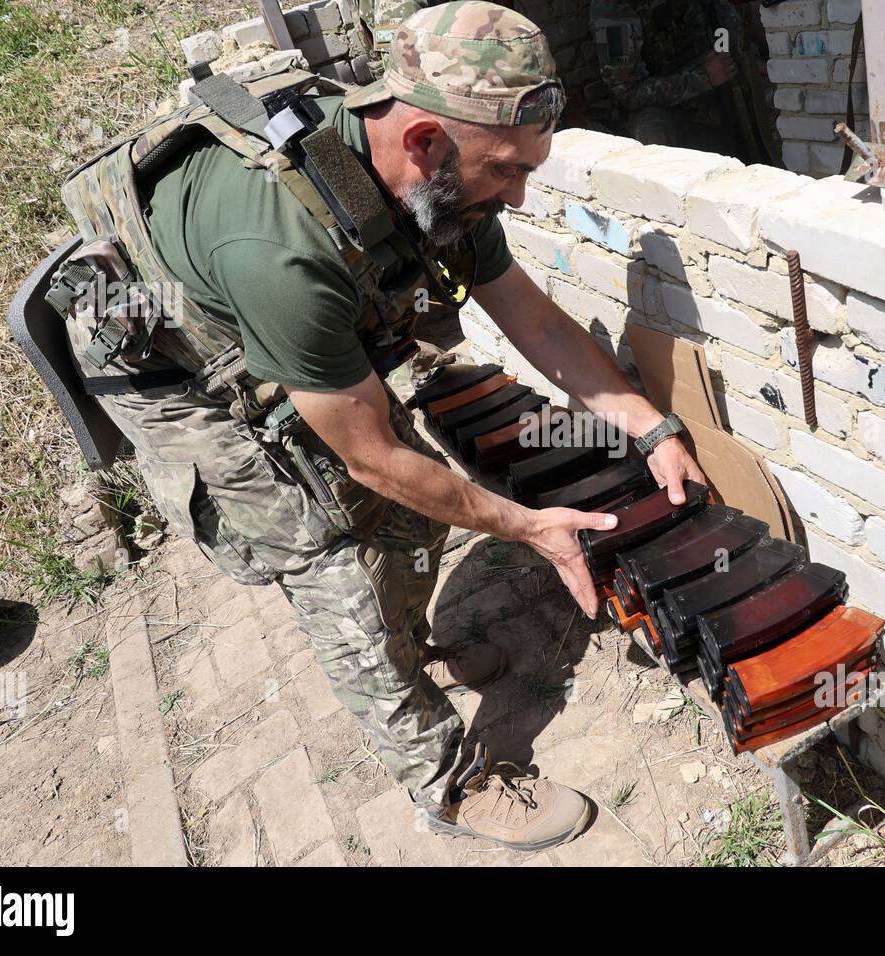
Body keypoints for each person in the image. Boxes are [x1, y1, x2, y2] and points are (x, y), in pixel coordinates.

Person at [51, 0, 705, 852]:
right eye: (508, 171)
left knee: (415, 519)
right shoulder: (282, 254)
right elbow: (371, 458)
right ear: (424, 140)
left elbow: (538, 325)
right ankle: (448, 784)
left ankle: (412, 645)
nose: (518, 194)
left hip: (283, 330)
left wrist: (651, 429)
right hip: (175, 369)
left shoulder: (442, 187)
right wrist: (528, 527)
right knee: (335, 557)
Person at [590, 0, 743, 153]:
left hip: (719, 85)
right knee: (653, 135)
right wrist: (703, 79)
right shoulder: (613, 10)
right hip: (665, 107)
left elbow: (731, 31)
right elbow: (629, 93)